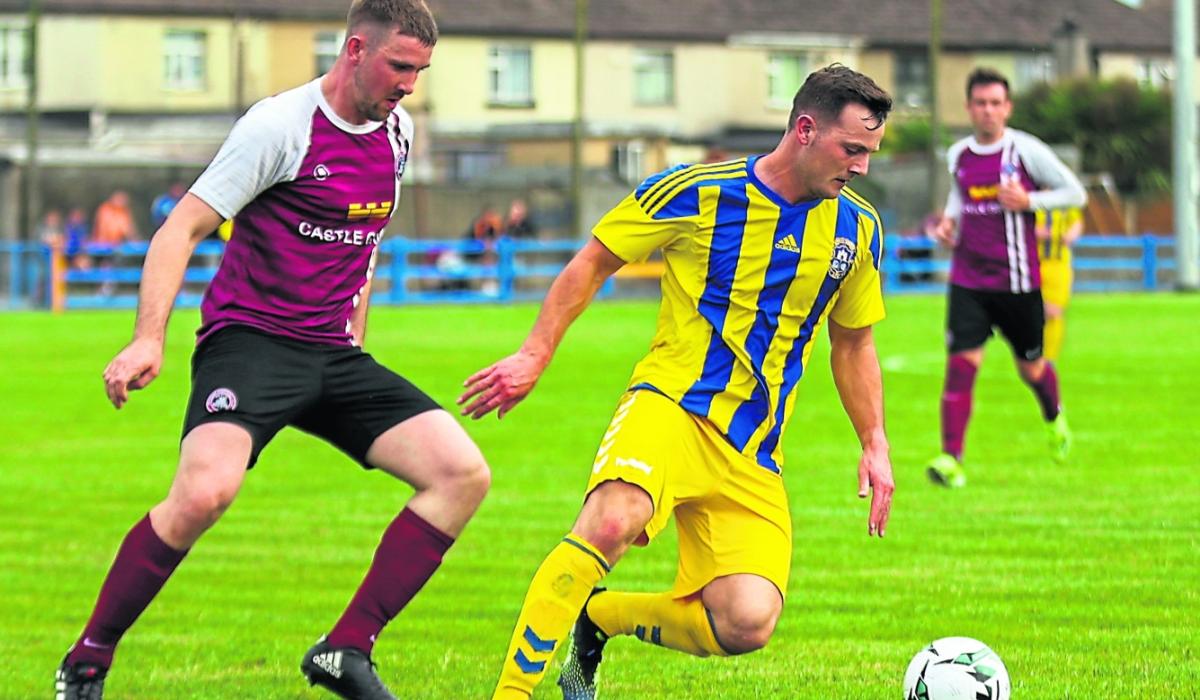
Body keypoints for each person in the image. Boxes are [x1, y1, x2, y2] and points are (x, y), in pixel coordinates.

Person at [54, 3, 491, 700]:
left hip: (332, 353)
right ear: (355, 50)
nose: (410, 85)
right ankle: (88, 656)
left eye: (421, 71)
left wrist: (357, 341)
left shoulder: (399, 135)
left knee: (462, 475)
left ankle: (346, 650)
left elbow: (367, 242)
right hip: (250, 343)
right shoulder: (279, 127)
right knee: (204, 492)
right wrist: (148, 339)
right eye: (399, 66)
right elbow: (181, 230)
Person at [460, 64, 896, 700]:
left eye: (869, 154)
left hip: (752, 447)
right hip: (670, 405)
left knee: (746, 620)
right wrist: (534, 353)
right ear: (805, 130)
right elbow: (593, 262)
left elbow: (853, 341)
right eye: (851, 149)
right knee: (611, 521)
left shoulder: (858, 230)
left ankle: (598, 618)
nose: (861, 167)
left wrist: (875, 440)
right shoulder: (696, 191)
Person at [924, 68, 1087, 489]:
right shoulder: (958, 154)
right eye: (980, 103)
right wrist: (946, 228)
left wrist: (1030, 199)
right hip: (968, 282)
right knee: (961, 367)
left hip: (1017, 285)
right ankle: (951, 459)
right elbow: (957, 204)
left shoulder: (1025, 151)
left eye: (996, 103)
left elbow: (1075, 193)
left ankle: (1055, 418)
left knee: (1031, 369)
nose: (988, 111)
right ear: (968, 107)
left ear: (1007, 107)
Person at [1035, 205, 1084, 361]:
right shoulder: (1028, 197)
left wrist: (1071, 234)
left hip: (1058, 264)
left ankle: (1048, 359)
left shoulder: (1064, 198)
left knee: (1054, 312)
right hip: (1032, 263)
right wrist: (1034, 231)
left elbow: (1077, 222)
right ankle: (1032, 354)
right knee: (1030, 313)